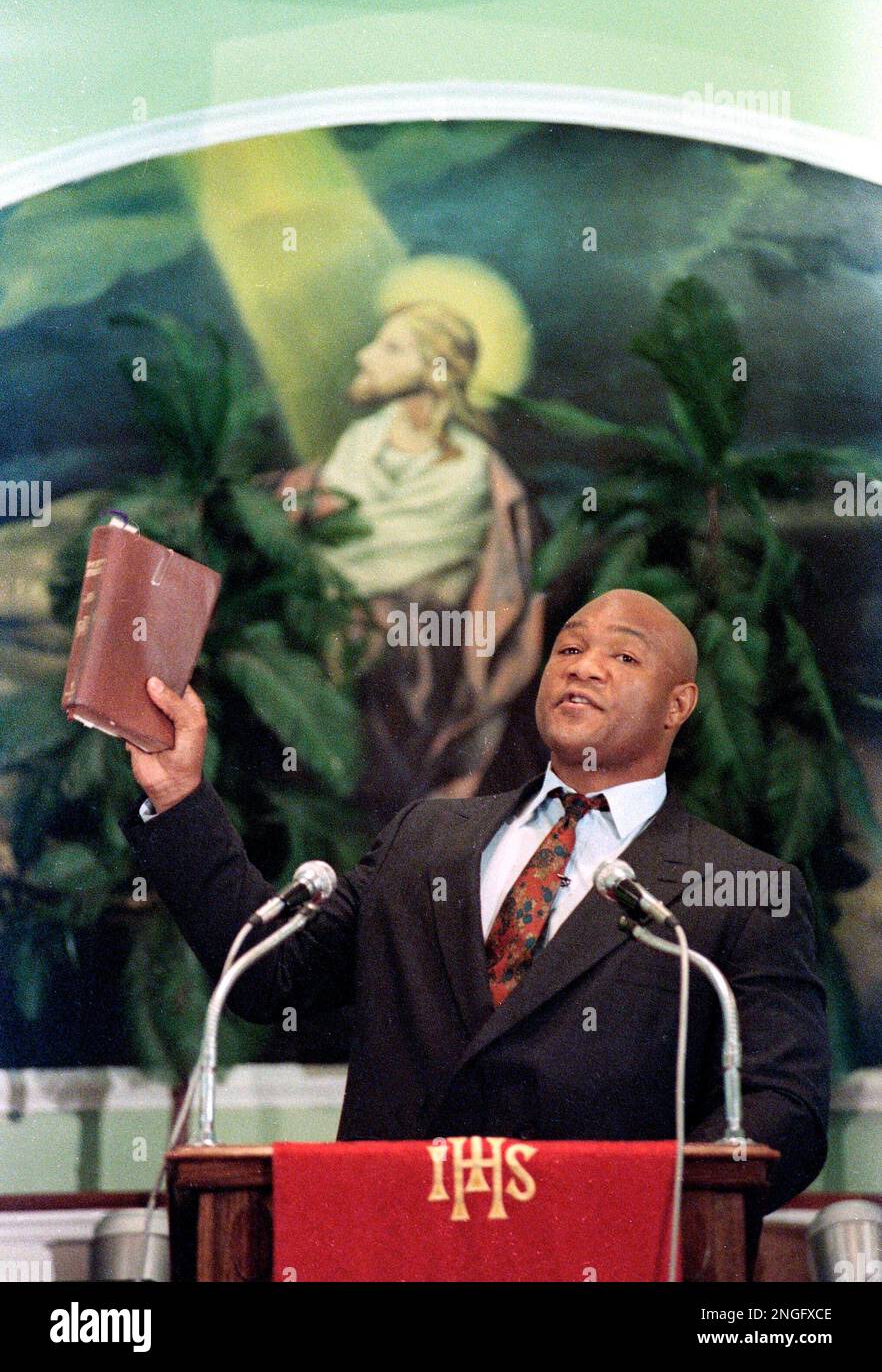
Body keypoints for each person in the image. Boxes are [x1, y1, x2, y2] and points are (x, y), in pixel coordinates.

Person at [121, 587, 830, 1262]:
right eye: (568, 648)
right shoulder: (425, 838)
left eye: (623, 656)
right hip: (392, 1249)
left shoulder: (741, 891)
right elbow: (270, 970)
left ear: (680, 704)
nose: (583, 664)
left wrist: (648, 1209)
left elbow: (783, 1112)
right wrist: (179, 796)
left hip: (600, 1259)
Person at [265, 300, 545, 825]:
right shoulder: (359, 441)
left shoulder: (471, 468)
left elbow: (399, 553)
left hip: (422, 655)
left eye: (391, 347)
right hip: (332, 625)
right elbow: (322, 533)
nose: (366, 355)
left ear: (434, 368)